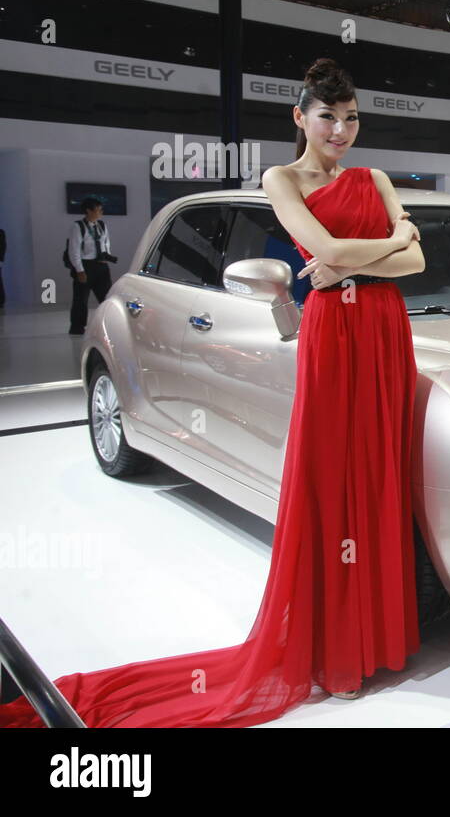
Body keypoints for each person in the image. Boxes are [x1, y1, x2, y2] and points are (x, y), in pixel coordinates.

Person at [1, 59, 426, 727]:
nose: (341, 130)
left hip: (384, 330)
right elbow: (327, 251)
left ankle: (380, 638)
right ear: (300, 117)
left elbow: (415, 263)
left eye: (350, 119)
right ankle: (340, 650)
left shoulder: (372, 178)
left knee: (377, 477)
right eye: (328, 117)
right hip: (335, 329)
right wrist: (391, 239)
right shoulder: (279, 179)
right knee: (333, 476)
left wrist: (364, 251)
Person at [66, 195, 115, 335]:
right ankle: (77, 327)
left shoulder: (102, 225)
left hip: (101, 265)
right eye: (98, 210)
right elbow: (73, 250)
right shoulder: (78, 226)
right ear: (88, 211)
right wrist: (79, 270)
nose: (101, 212)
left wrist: (106, 256)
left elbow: (106, 243)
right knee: (81, 299)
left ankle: (109, 324)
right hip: (85, 266)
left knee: (106, 297)